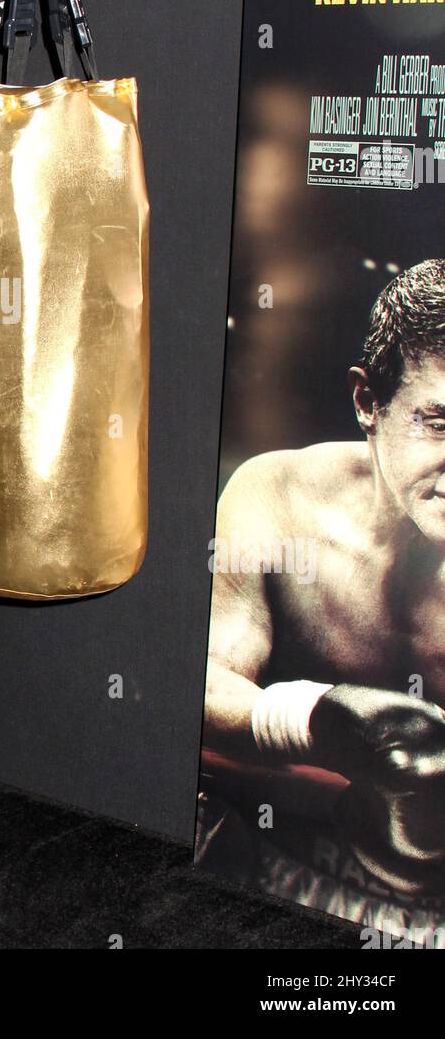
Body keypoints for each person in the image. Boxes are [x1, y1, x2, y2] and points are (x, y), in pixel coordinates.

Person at [201, 258, 445, 935]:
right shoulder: (277, 495)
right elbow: (204, 682)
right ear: (367, 402)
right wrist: (325, 720)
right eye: (439, 423)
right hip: (269, 863)